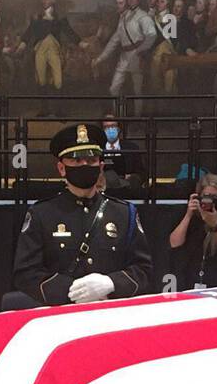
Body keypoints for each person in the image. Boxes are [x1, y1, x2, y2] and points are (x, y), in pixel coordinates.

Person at [12, 122, 153, 306]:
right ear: (62, 168)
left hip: (111, 313)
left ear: (101, 167)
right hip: (60, 316)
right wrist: (72, 291)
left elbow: (143, 269)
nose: (85, 165)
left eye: (91, 160)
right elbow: (26, 272)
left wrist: (111, 284)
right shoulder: (42, 214)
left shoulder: (124, 213)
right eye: (76, 161)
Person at [169, 173, 217, 289]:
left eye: (214, 197)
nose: (210, 201)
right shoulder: (191, 217)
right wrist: (188, 215)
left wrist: (215, 226)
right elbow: (174, 243)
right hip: (190, 282)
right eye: (206, 196)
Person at [14, 0, 81, 110]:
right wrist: (23, 44)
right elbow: (30, 31)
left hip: (54, 49)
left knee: (58, 81)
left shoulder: (60, 17)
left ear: (53, 1)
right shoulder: (37, 17)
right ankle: (44, 109)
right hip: (40, 49)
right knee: (41, 79)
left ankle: (59, 110)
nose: (45, 1)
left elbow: (68, 31)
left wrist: (80, 42)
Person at [93, 0, 157, 103]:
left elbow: (152, 36)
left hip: (137, 57)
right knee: (114, 89)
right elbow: (114, 40)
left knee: (137, 91)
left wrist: (141, 51)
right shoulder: (123, 18)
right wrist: (100, 58)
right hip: (124, 57)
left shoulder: (143, 16)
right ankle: (117, 118)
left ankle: (137, 118)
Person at [100, 114, 145, 191]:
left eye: (113, 126)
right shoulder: (98, 148)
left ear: (119, 128)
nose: (110, 129)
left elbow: (141, 173)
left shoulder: (132, 148)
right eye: (106, 127)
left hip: (127, 189)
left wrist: (132, 176)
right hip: (104, 188)